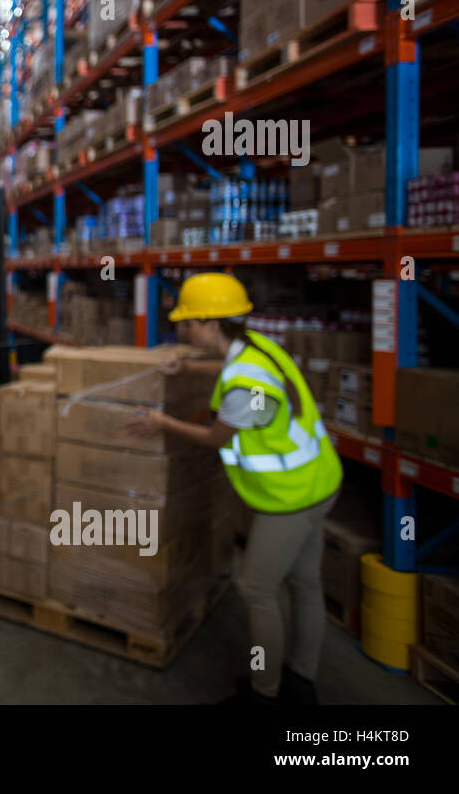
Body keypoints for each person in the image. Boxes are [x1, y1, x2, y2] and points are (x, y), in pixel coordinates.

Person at [127, 272, 342, 705]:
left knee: (256, 590)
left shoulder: (246, 387)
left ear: (209, 321)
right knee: (304, 583)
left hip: (291, 497)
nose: (181, 329)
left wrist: (160, 423)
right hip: (321, 481)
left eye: (186, 323)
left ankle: (265, 694)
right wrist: (188, 366)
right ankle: (301, 681)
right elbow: (233, 368)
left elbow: (213, 438)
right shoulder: (258, 348)